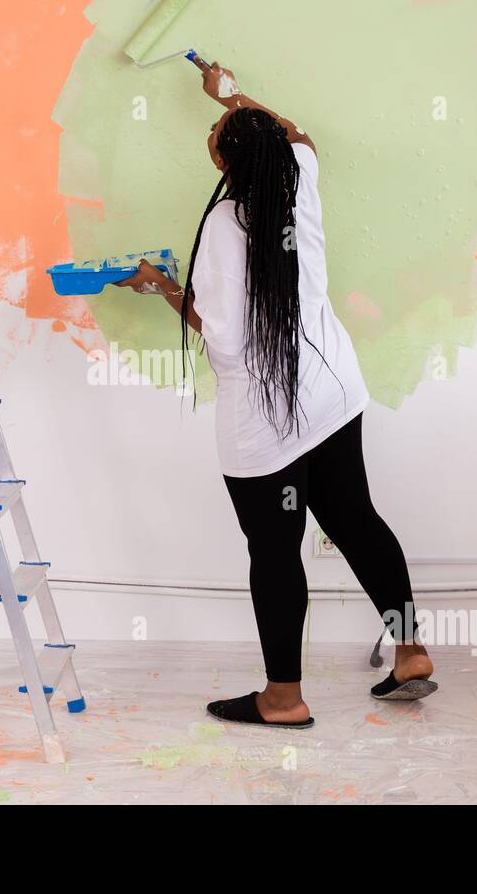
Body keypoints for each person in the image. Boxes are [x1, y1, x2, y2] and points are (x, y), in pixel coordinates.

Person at [114, 63, 436, 728]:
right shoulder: (300, 187)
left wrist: (164, 289)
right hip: (332, 391)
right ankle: (409, 651)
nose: (210, 129)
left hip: (265, 416)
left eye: (216, 129)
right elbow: (300, 138)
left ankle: (283, 698)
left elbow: (227, 347)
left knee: (276, 549)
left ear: (222, 160)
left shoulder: (227, 227)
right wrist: (232, 96)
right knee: (356, 520)